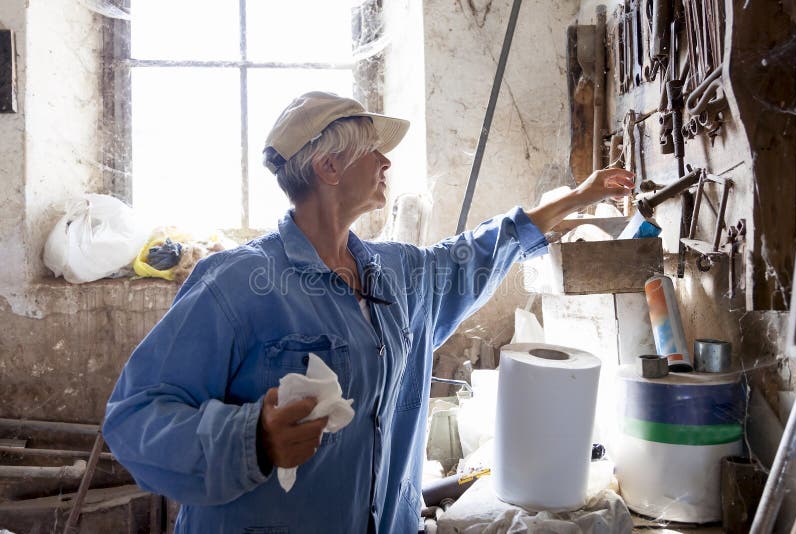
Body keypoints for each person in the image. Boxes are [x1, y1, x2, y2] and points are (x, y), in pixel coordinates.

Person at [103, 91, 634, 533]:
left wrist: (575, 199)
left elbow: (480, 250)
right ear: (329, 166)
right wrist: (252, 439)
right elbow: (135, 417)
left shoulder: (398, 273)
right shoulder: (234, 283)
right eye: (371, 151)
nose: (386, 162)